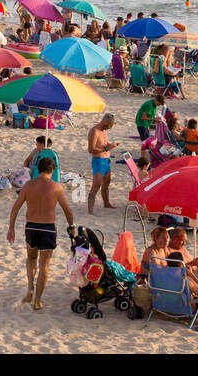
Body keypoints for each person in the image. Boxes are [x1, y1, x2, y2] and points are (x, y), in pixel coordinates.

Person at [7, 155, 75, 310]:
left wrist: (11, 228)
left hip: (31, 227)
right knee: (44, 264)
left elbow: (15, 208)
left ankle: (30, 287)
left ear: (38, 169)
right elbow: (68, 211)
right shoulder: (56, 187)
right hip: (47, 228)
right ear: (52, 170)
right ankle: (37, 301)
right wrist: (71, 226)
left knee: (31, 259)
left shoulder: (28, 186)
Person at [86, 114, 117, 214]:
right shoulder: (94, 131)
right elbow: (91, 149)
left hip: (106, 160)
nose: (110, 128)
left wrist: (111, 145)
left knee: (106, 183)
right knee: (96, 185)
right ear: (105, 122)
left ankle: (106, 203)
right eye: (110, 125)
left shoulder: (104, 131)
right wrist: (107, 148)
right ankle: (90, 211)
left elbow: (103, 143)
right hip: (98, 161)